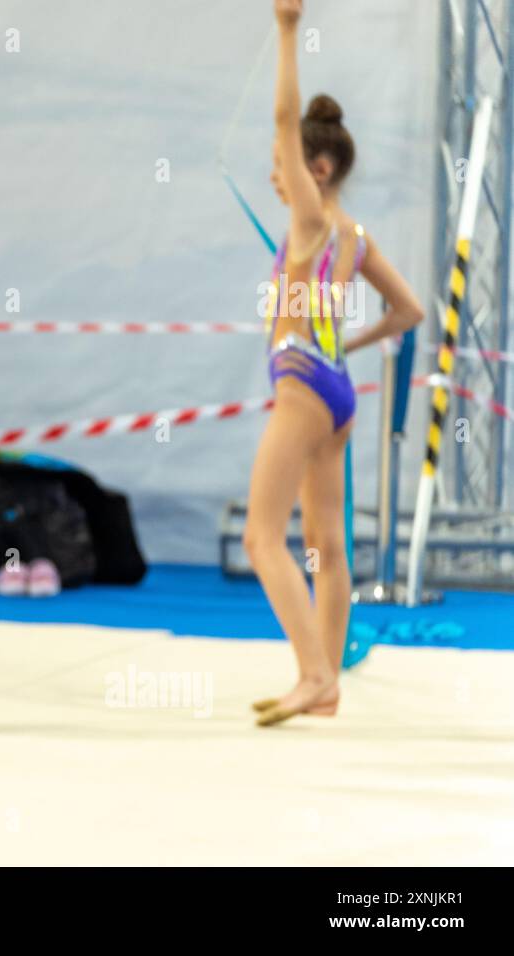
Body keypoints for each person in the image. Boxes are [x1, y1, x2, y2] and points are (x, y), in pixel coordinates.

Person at [247, 0, 424, 726]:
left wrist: (287, 32)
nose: (276, 181)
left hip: (302, 384)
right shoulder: (354, 237)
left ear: (317, 168)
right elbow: (409, 312)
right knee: (325, 544)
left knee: (264, 536)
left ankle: (314, 672)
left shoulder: (314, 219)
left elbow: (286, 120)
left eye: (285, 171)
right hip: (338, 391)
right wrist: (343, 348)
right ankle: (329, 689)